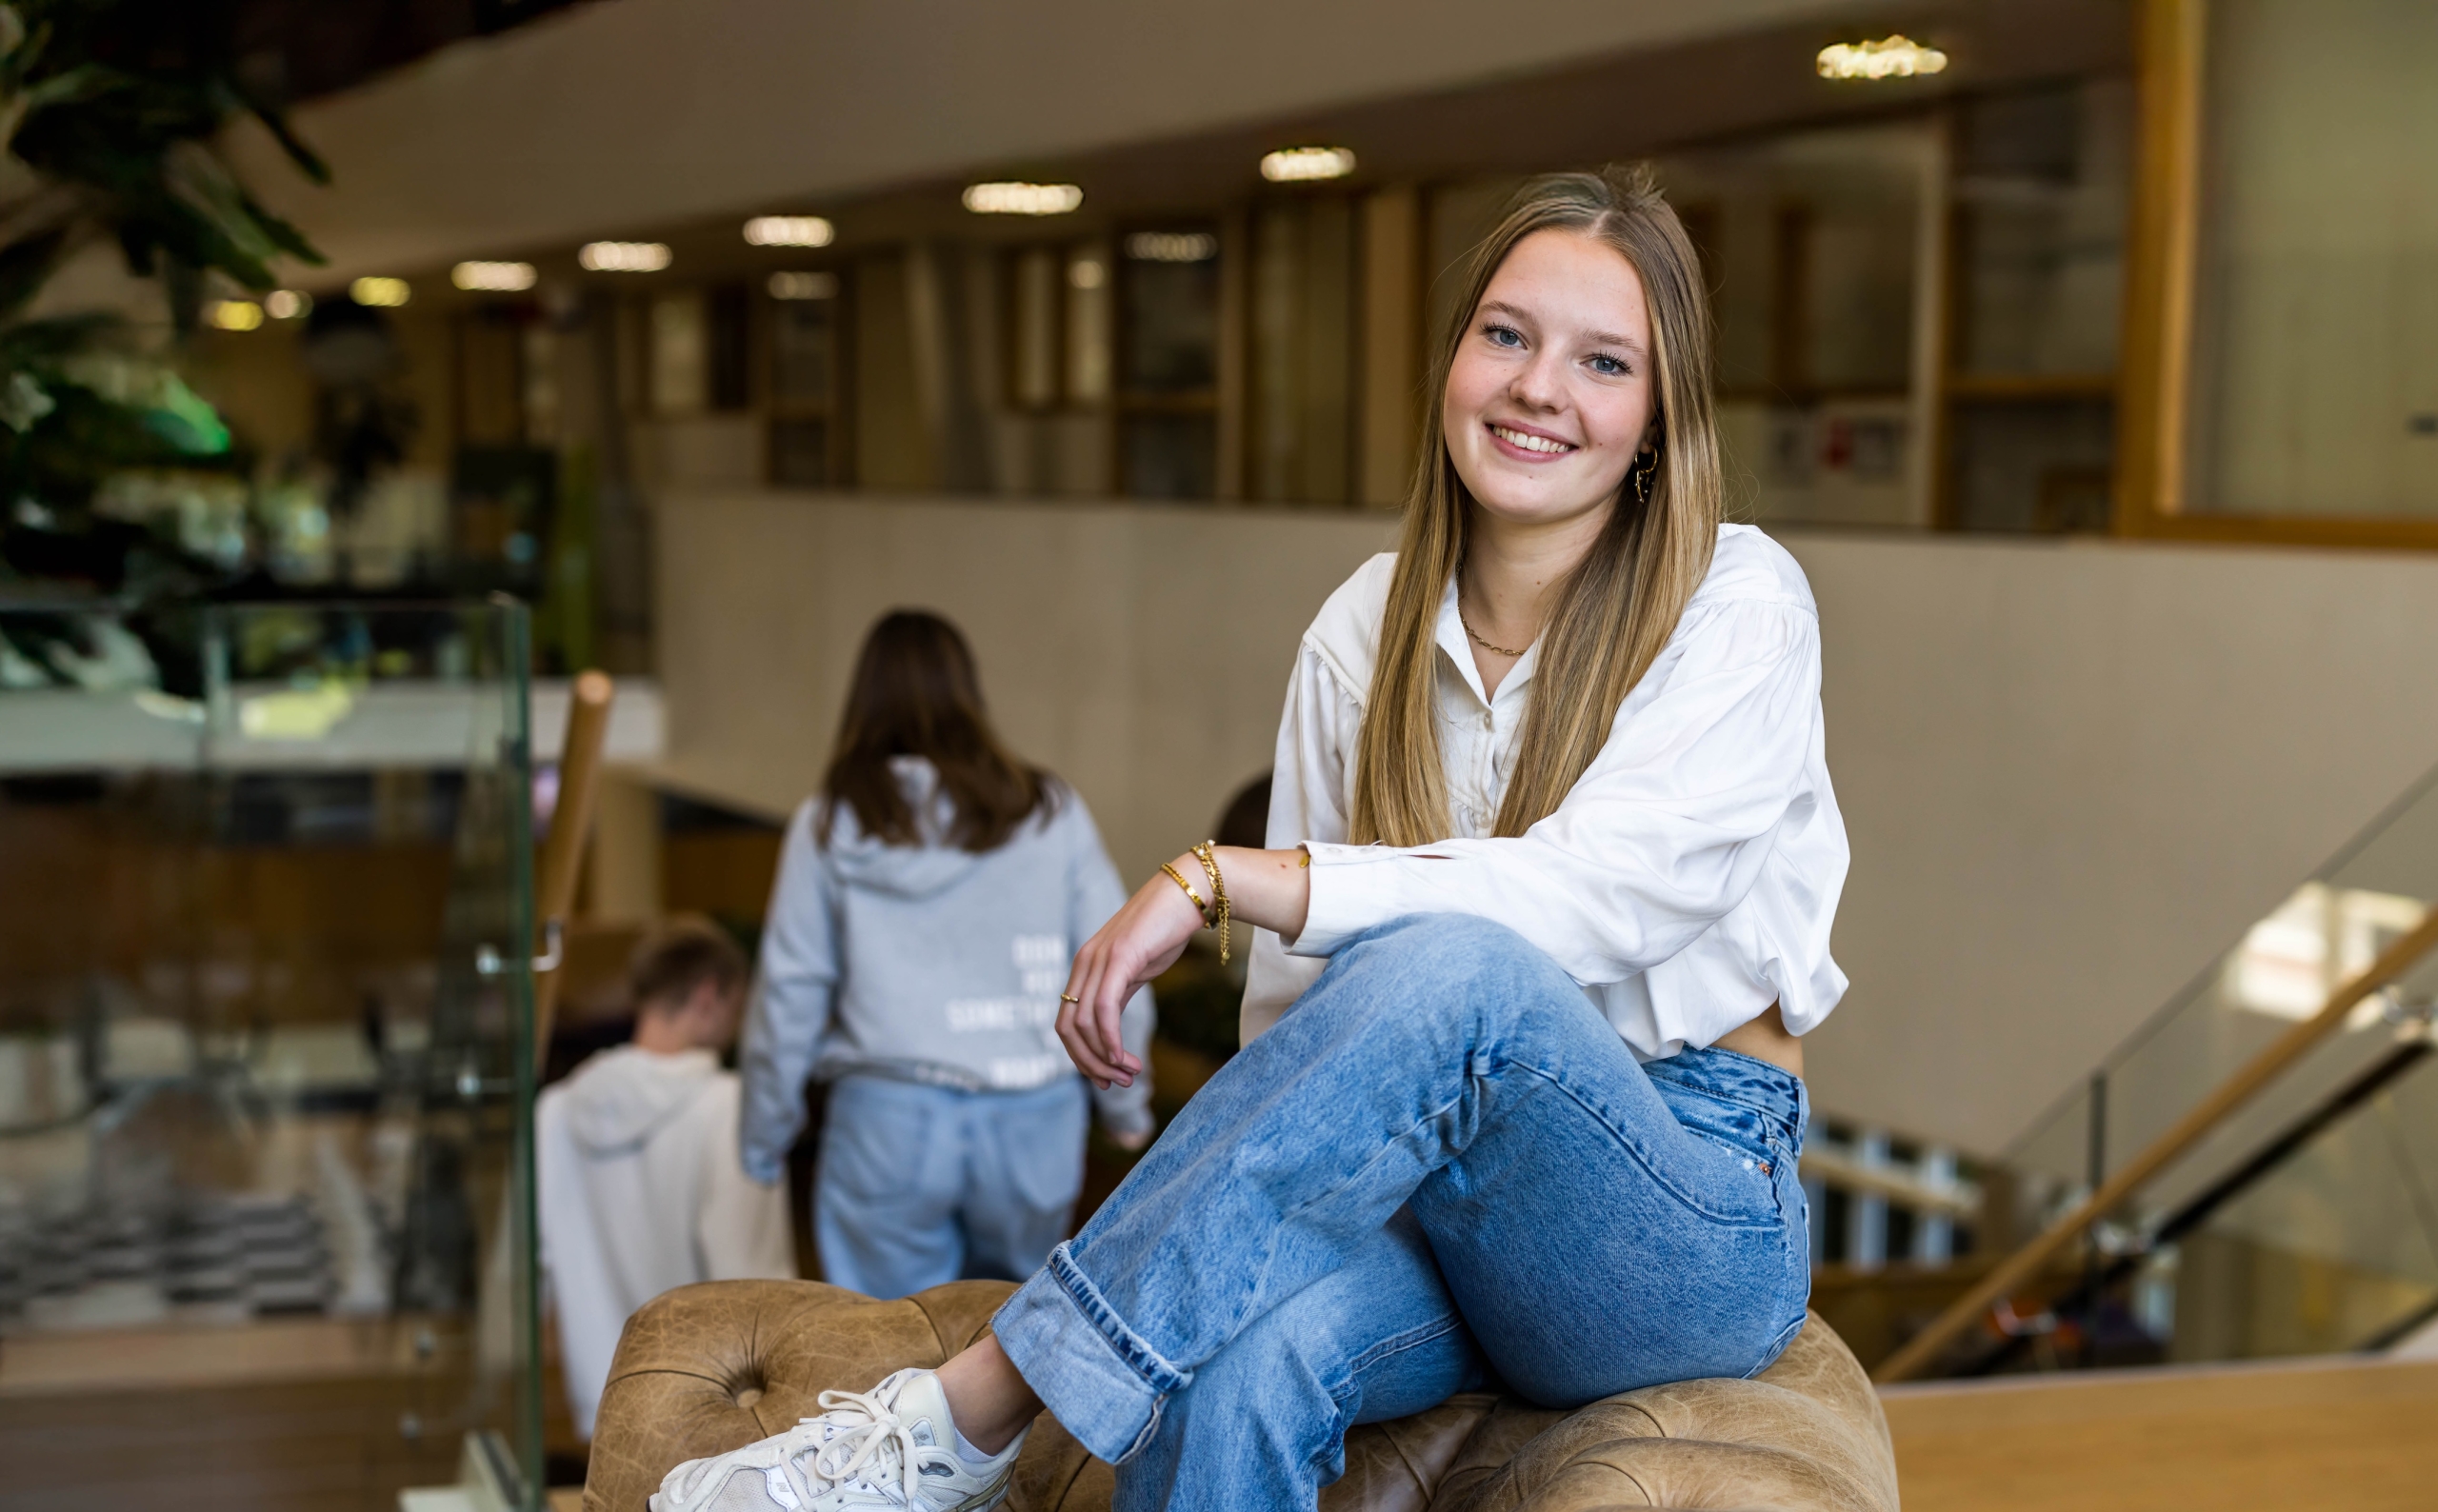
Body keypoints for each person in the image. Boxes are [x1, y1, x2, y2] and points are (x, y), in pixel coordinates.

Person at [653, 164, 1848, 1512]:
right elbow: (1297, 1032)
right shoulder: (1364, 626)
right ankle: (1008, 1408)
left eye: (1603, 361)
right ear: (1453, 356)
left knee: (1464, 968)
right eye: (1505, 334)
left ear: (1656, 418)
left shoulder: (1737, 599)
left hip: (1683, 1216)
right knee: (1225, 1356)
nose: (1537, 387)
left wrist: (1225, 880)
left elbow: (1604, 899)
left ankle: (969, 1414)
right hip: (1447, 1211)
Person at [739, 609, 1155, 1303]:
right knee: (1010, 1348)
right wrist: (1125, 1106)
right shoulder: (1048, 810)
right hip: (1034, 1120)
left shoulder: (831, 823)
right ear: (971, 694)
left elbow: (792, 989)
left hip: (887, 1124)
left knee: (881, 1352)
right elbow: (1119, 963)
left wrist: (763, 1137)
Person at [536, 917, 795, 1439]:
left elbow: (536, 1271)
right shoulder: (730, 1107)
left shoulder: (556, 1110)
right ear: (709, 997)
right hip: (716, 1415)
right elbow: (757, 1289)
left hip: (602, 1410)